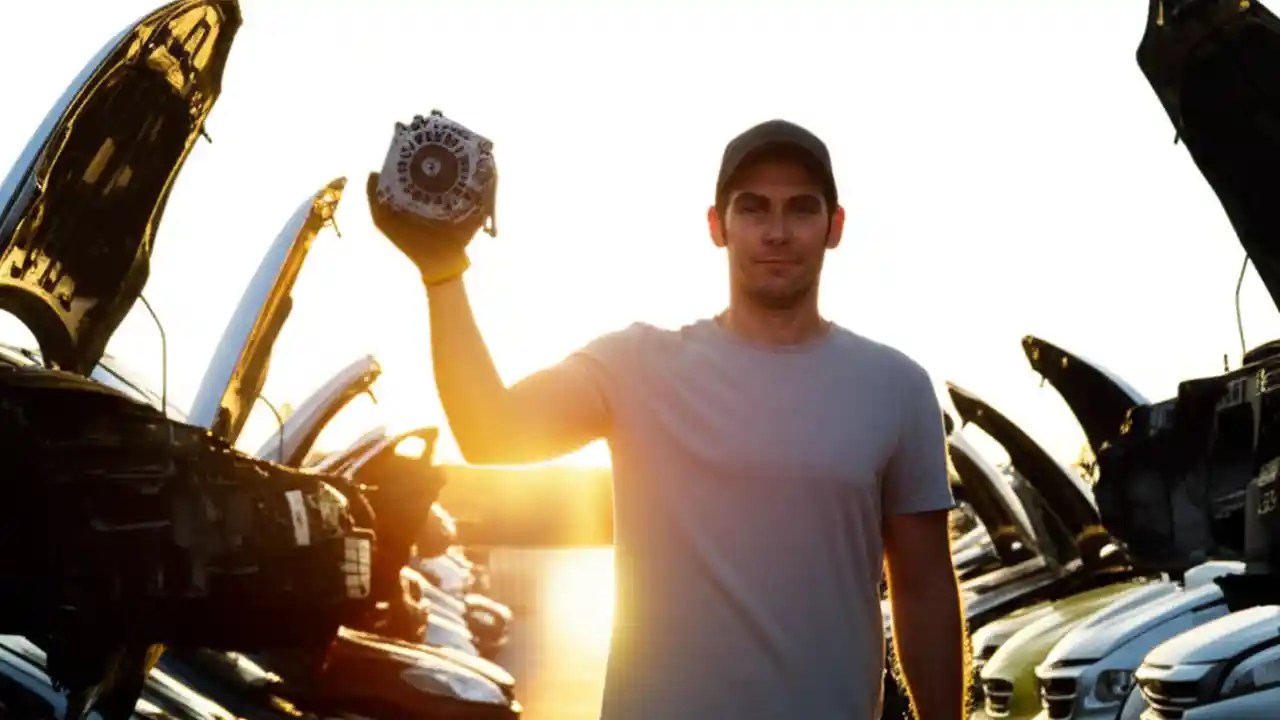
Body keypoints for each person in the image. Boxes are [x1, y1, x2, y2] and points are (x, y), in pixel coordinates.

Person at [367, 118, 968, 720]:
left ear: (834, 227)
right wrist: (442, 273)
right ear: (717, 226)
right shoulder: (636, 366)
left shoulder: (895, 387)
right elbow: (490, 430)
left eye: (801, 210)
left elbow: (924, 591)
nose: (777, 232)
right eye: (753, 208)